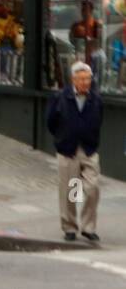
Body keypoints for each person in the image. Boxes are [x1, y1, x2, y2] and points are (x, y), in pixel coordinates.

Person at [46, 61, 102, 242]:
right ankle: (70, 227)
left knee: (92, 188)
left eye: (88, 79)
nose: (86, 82)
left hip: (88, 149)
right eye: (82, 79)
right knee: (72, 191)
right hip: (68, 150)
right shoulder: (61, 97)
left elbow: (99, 121)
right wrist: (62, 138)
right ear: (74, 80)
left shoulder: (96, 99)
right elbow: (51, 122)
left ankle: (88, 227)